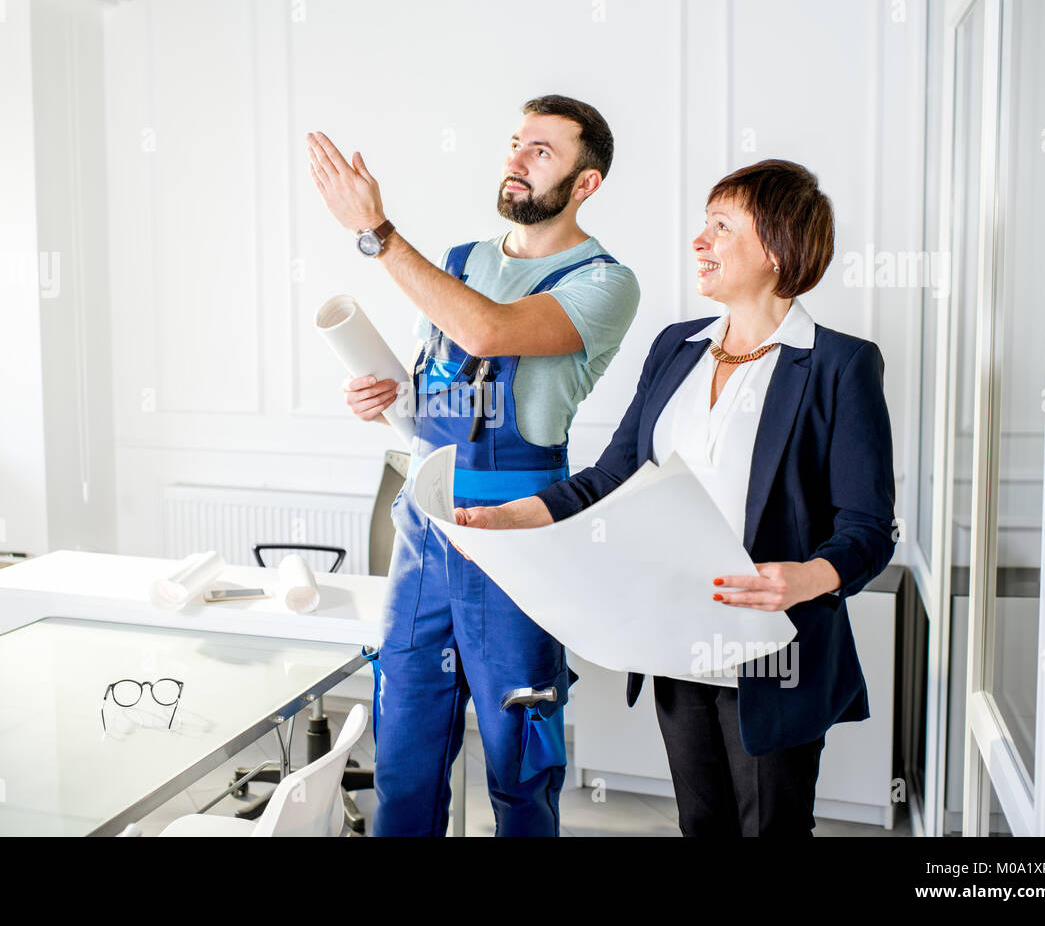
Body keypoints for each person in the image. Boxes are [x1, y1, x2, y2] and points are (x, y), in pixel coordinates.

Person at [455, 159, 896, 836]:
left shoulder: (840, 364)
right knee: (702, 824)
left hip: (775, 650)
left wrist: (808, 576)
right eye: (704, 224)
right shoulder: (675, 348)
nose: (700, 240)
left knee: (771, 828)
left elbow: (868, 525)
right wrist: (511, 517)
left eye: (722, 226)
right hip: (678, 639)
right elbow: (611, 477)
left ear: (776, 250)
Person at [307, 95, 640, 836]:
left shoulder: (604, 282)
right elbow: (435, 393)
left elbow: (489, 333)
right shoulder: (460, 263)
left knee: (520, 763)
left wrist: (375, 234)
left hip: (517, 540)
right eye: (516, 143)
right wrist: (390, 395)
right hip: (423, 536)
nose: (516, 160)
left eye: (542, 151)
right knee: (406, 757)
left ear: (586, 183)